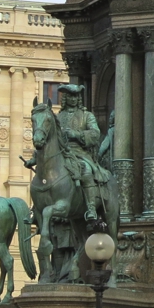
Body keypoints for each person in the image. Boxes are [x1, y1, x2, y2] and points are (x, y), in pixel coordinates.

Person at [55, 84, 109, 223]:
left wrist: (76, 134)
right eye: (70, 96)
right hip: (61, 154)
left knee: (86, 170)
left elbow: (95, 134)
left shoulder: (87, 115)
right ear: (65, 98)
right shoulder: (58, 117)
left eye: (75, 97)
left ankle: (91, 208)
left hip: (80, 153)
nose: (73, 99)